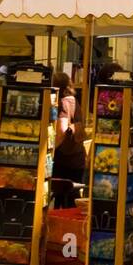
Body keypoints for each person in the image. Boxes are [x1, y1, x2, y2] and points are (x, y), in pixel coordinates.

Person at [49, 72, 85, 208]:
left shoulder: (63, 102)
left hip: (64, 161)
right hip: (77, 159)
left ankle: (59, 226)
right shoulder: (74, 100)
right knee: (72, 200)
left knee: (62, 199)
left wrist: (49, 151)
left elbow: (62, 130)